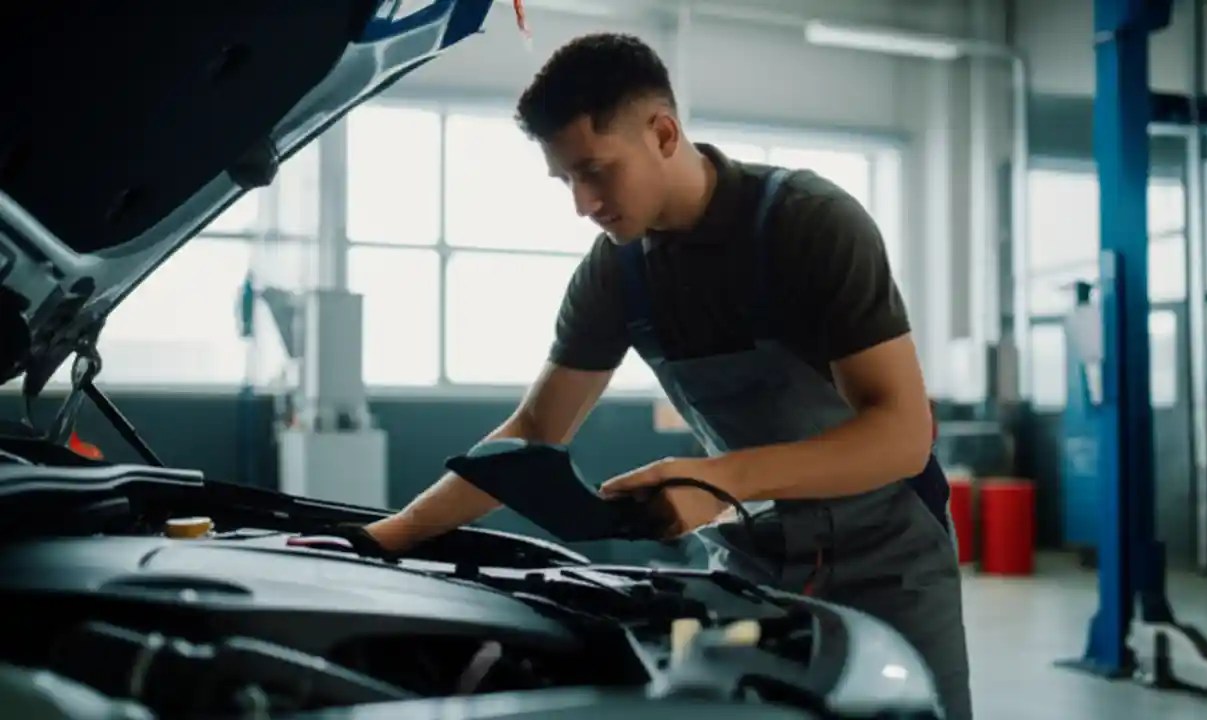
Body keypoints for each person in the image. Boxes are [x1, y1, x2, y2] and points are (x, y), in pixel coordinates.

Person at [360, 32, 971, 719]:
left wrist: (719, 480)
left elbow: (901, 434)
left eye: (595, 170)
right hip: (751, 568)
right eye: (566, 180)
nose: (582, 204)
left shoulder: (808, 224)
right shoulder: (615, 272)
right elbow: (532, 433)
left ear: (663, 133)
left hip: (885, 561)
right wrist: (390, 536)